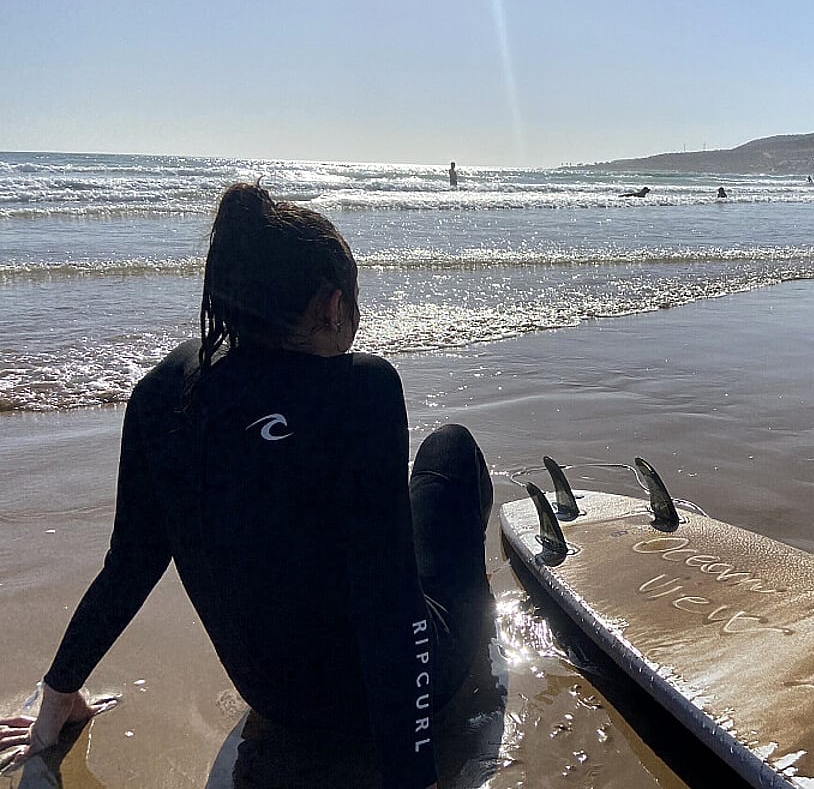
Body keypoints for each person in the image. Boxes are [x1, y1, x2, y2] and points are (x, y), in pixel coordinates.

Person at [0, 183, 492, 789]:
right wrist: (413, 779)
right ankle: (483, 619)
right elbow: (387, 605)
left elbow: (132, 562)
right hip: (402, 693)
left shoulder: (163, 393)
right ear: (333, 306)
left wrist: (58, 695)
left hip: (274, 701)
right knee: (451, 450)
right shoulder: (361, 389)